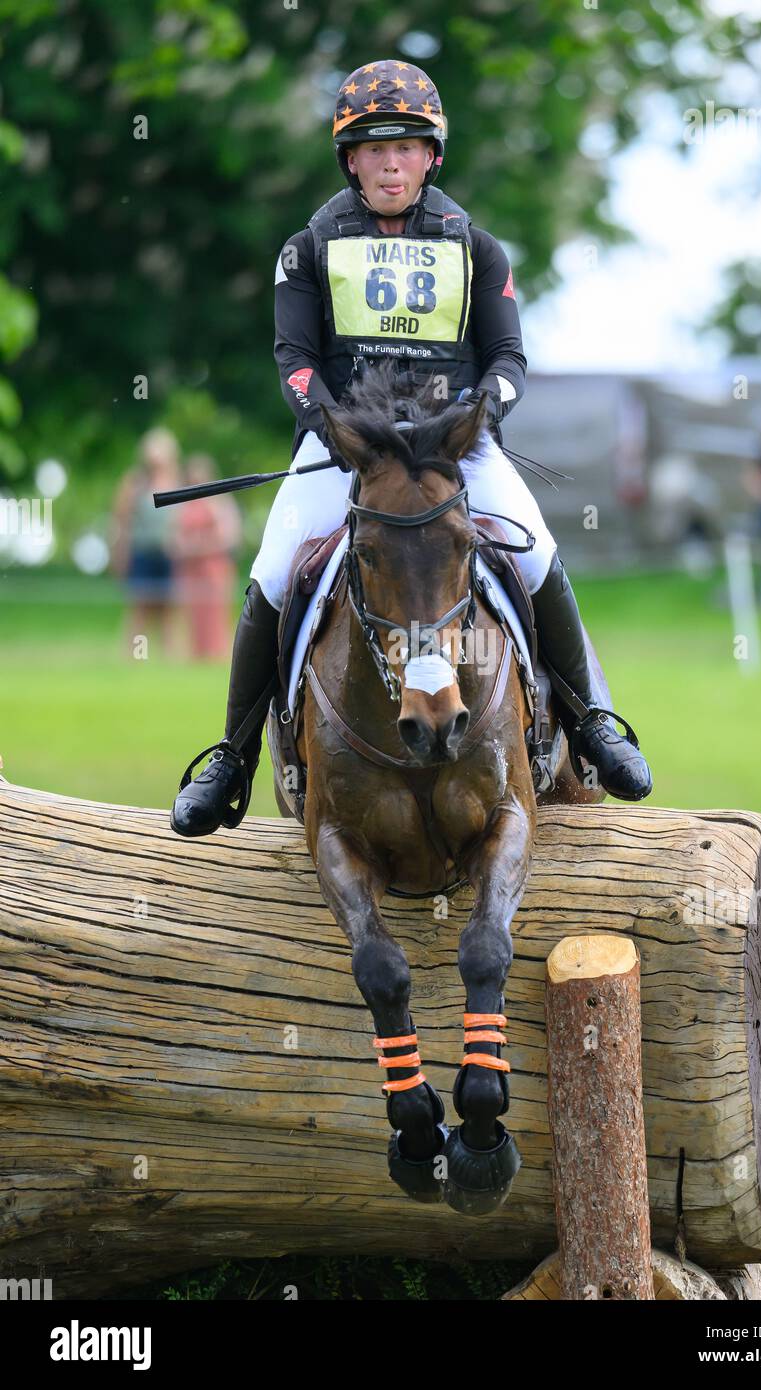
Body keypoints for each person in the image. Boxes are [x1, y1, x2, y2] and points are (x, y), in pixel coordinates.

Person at [171, 59, 652, 836]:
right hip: (348, 451)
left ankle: (594, 722)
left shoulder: (479, 250)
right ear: (350, 160)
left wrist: (482, 408)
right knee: (270, 569)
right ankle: (231, 759)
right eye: (372, 149)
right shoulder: (308, 249)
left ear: (431, 157)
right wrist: (330, 424)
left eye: (405, 148)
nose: (389, 163)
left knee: (533, 554)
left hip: (454, 449)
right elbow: (294, 359)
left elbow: (508, 360)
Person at [111, 427, 181, 656]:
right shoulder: (135, 482)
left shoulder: (177, 481)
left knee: (168, 610)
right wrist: (119, 554)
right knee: (140, 607)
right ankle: (133, 656)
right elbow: (121, 521)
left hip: (169, 555)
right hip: (142, 553)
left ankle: (170, 658)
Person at [173, 454, 242, 660]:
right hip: (189, 570)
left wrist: (200, 546)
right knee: (192, 617)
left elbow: (230, 536)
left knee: (215, 616)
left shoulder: (220, 502)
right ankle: (193, 656)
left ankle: (217, 656)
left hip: (213, 569)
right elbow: (174, 538)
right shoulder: (182, 504)